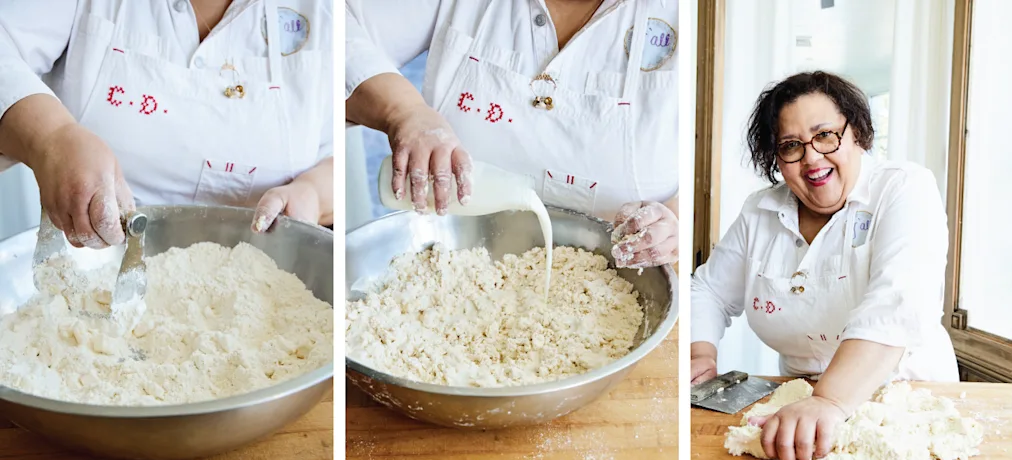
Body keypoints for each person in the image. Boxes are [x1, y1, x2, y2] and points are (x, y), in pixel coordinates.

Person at [690, 71, 958, 460]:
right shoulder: (760, 212)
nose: (812, 158)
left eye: (825, 136)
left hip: (907, 402)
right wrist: (699, 353)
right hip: (801, 411)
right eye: (791, 146)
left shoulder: (903, 188)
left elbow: (896, 306)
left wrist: (830, 400)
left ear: (857, 133)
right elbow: (708, 292)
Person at [345, 0, 679, 269]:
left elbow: (702, 183)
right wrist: (404, 112)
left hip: (624, 284)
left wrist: (673, 221)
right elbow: (336, 29)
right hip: (449, 265)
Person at [0, 0, 333, 249]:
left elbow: (334, 157)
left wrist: (313, 194)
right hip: (92, 271)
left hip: (271, 282)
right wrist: (53, 137)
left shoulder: (328, 12)